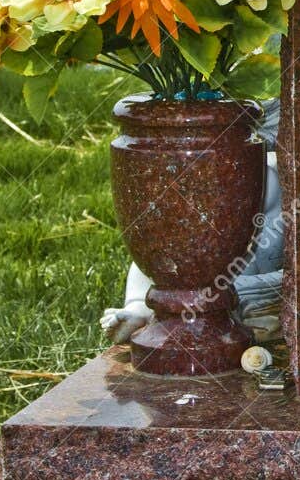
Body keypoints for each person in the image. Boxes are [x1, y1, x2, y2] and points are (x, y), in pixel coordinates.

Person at [100, 99, 284, 344]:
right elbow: (163, 252)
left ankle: (171, 308)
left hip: (245, 285)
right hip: (207, 277)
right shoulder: (244, 178)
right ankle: (139, 308)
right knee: (166, 251)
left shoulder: (273, 183)